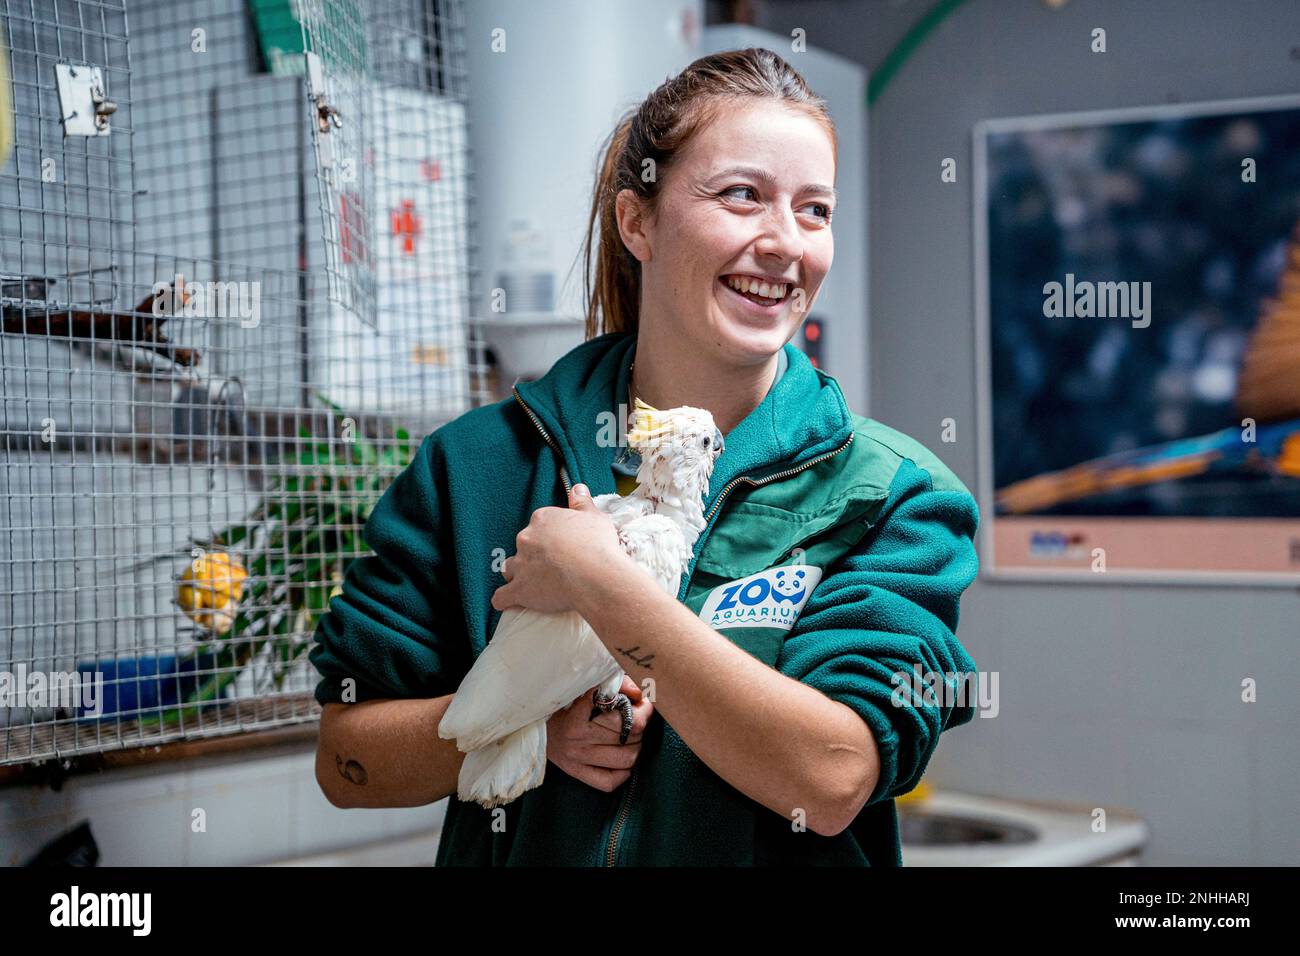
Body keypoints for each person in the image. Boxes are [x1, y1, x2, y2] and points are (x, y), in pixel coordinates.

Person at [310, 47, 980, 866]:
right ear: (639, 223)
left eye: (814, 210)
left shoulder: (888, 494)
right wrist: (523, 733)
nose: (784, 243)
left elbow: (832, 777)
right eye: (742, 195)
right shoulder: (478, 468)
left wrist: (603, 587)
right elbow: (347, 760)